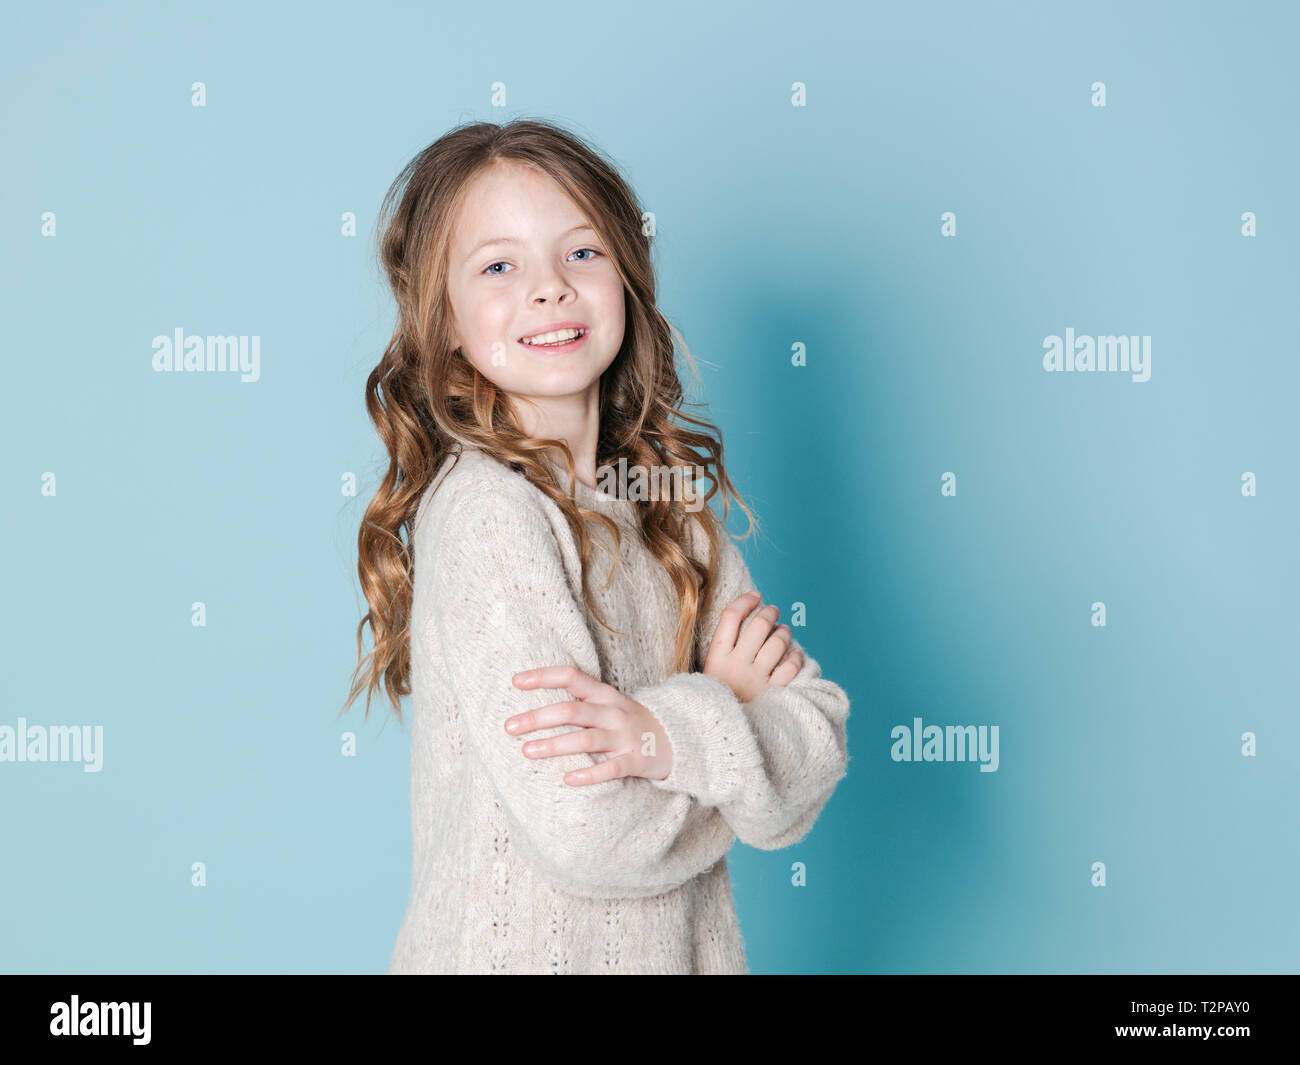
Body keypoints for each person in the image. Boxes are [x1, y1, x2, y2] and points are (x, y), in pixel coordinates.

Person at [340, 118, 851, 974]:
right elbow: (587, 830)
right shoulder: (488, 513)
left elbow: (817, 742)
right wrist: (715, 716)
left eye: (581, 253)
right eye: (499, 266)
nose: (549, 289)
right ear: (450, 323)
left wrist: (662, 740)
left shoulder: (665, 507)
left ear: (626, 277)